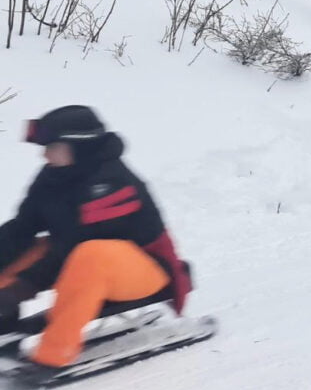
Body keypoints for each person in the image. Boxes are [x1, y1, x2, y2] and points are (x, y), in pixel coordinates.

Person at [0, 105, 192, 373]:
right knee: (23, 250)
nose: (44, 154)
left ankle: (54, 353)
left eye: (51, 146)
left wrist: (21, 287)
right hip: (79, 257)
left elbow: (75, 248)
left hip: (145, 271)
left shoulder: (110, 183)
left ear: (79, 147)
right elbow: (22, 228)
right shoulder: (53, 175)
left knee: (92, 255)